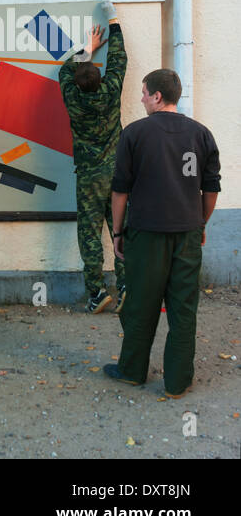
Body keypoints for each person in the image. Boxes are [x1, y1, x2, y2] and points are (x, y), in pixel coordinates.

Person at [105, 69, 220, 399]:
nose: (141, 98)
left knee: (140, 304)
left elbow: (120, 191)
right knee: (183, 308)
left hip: (147, 234)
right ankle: (177, 382)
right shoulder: (202, 134)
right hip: (186, 233)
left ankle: (131, 371)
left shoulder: (135, 134)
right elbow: (211, 188)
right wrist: (200, 223)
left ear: (157, 96)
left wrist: (117, 232)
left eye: (143, 93)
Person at [58, 1, 128, 314]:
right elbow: (119, 59)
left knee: (89, 234)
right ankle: (126, 287)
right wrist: (112, 20)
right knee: (122, 230)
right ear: (99, 77)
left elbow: (65, 68)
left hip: (88, 176)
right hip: (118, 176)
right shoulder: (111, 90)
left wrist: (86, 48)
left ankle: (97, 293)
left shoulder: (71, 96)